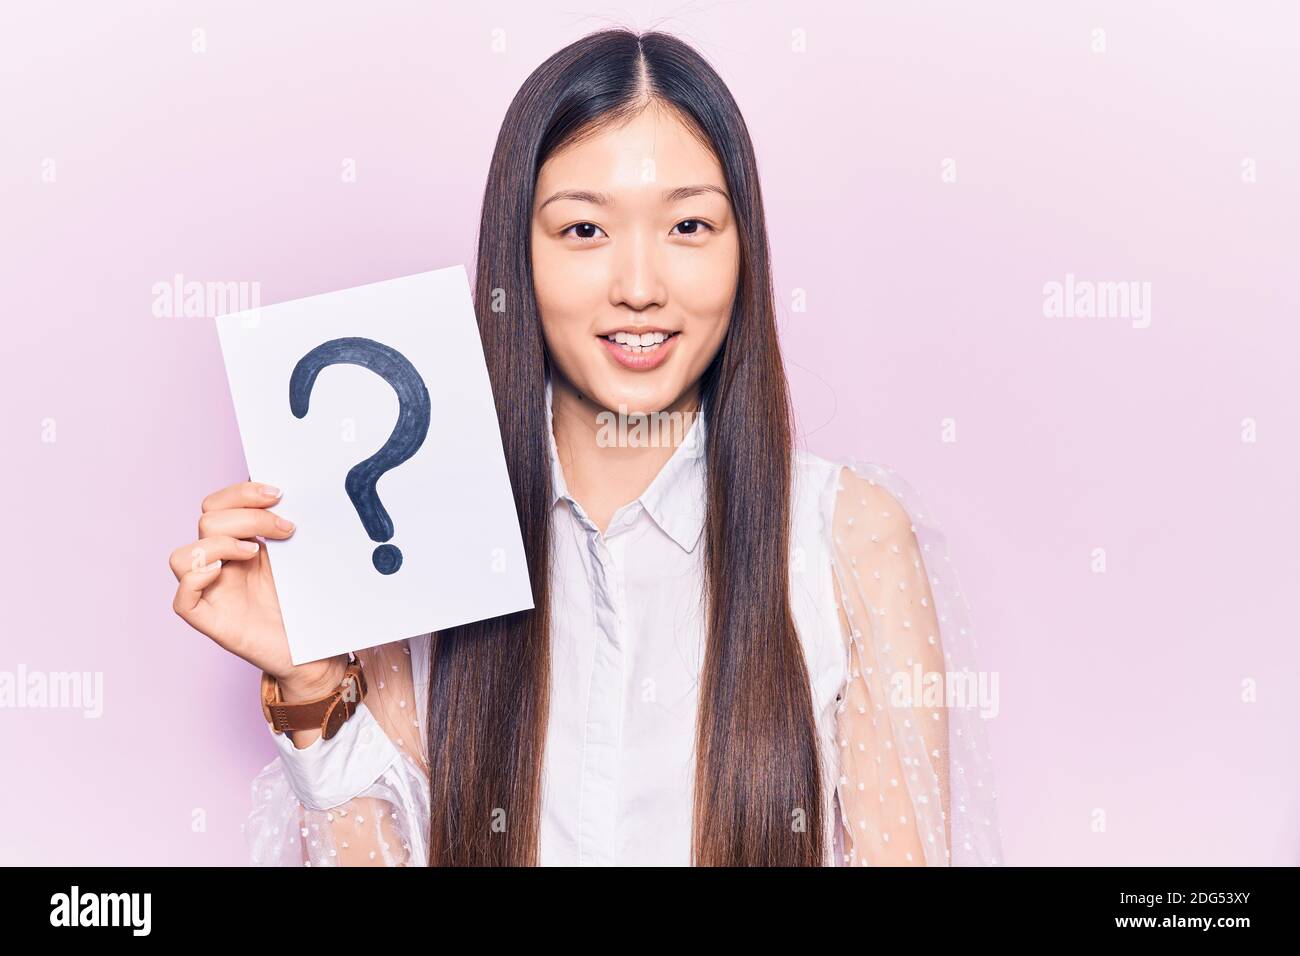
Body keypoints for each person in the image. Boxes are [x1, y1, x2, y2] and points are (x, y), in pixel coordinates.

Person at [169, 27, 1002, 867]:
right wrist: (311, 686)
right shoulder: (420, 535)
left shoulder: (845, 537)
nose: (639, 288)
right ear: (517, 253)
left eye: (689, 224)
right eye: (583, 231)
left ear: (744, 247)